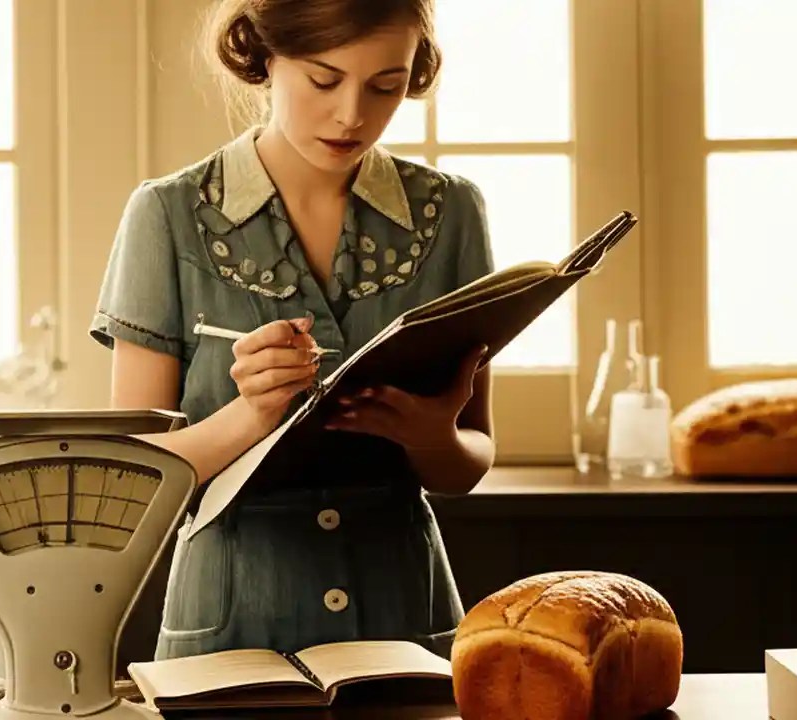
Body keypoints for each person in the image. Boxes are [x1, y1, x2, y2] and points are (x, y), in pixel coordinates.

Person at [88, 0, 496, 661]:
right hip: (231, 626)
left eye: (386, 86)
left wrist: (432, 436)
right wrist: (251, 416)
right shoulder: (166, 214)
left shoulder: (453, 213)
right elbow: (134, 478)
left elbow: (470, 456)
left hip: (404, 614)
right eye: (324, 80)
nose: (352, 115)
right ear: (263, 55)